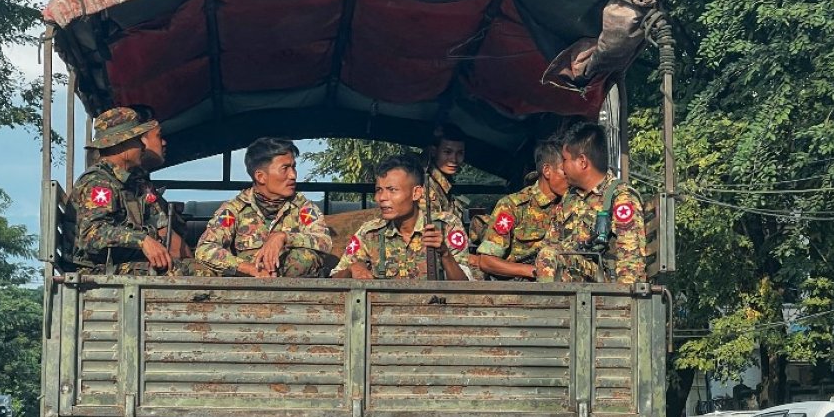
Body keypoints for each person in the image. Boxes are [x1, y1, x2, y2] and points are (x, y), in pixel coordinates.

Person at [74, 106, 191, 274]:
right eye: (137, 140)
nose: (143, 147)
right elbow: (92, 234)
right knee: (186, 272)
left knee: (198, 270)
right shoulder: (98, 182)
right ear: (123, 144)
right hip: (99, 271)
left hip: (120, 265)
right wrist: (142, 240)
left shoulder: (127, 182)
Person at [195, 138, 332, 277]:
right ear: (261, 177)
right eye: (285, 168)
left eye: (294, 167)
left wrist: (284, 237)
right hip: (244, 289)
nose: (293, 175)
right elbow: (205, 249)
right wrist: (248, 268)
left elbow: (325, 242)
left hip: (294, 288)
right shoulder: (235, 209)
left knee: (302, 258)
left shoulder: (303, 207)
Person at [535, 122, 647, 283]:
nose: (563, 167)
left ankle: (549, 307)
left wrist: (621, 304)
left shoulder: (620, 197)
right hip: (573, 279)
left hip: (603, 285)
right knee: (547, 254)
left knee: (549, 256)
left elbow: (631, 263)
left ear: (582, 161)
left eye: (565, 160)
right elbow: (550, 243)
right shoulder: (571, 196)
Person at [331, 155, 473, 280]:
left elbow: (466, 288)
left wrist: (445, 254)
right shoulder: (370, 233)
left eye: (392, 190)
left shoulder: (446, 226)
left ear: (416, 193)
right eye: (379, 190)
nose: (382, 198)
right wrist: (352, 269)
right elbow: (332, 280)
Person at [474, 139, 565, 280]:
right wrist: (533, 271)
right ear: (547, 171)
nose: (571, 177)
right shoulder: (513, 206)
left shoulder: (571, 204)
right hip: (521, 289)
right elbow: (487, 261)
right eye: (565, 171)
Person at [127, 104, 193, 259]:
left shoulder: (139, 183)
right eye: (158, 136)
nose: (164, 143)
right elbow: (174, 247)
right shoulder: (130, 184)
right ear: (141, 141)